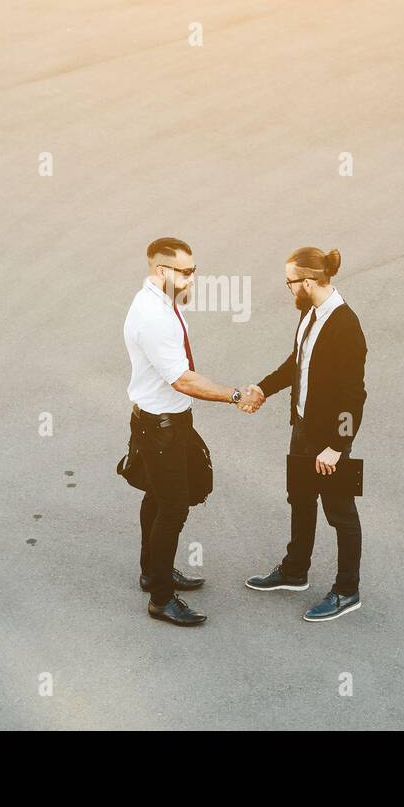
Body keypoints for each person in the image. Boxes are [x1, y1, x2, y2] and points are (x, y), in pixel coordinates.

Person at [123, 237, 249, 626]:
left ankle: (152, 572)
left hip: (155, 420)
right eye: (188, 272)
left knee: (157, 498)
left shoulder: (156, 301)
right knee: (173, 507)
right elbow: (182, 380)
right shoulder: (155, 317)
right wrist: (235, 395)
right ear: (162, 271)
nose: (194, 278)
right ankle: (161, 598)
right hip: (163, 428)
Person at [241, 246, 368, 621]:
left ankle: (348, 591)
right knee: (299, 500)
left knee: (341, 513)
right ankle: (295, 571)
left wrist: (338, 447)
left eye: (290, 283)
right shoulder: (311, 312)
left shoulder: (346, 326)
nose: (288, 289)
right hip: (302, 429)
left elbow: (354, 395)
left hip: (330, 440)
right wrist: (264, 388)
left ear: (309, 282)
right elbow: (298, 362)